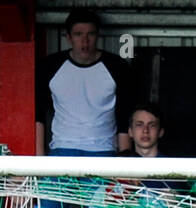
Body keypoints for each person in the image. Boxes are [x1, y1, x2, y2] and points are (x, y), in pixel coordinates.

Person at [35, 8, 134, 156]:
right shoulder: (50, 66)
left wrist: (124, 160)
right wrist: (39, 160)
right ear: (68, 37)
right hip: (62, 148)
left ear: (98, 36)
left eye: (91, 34)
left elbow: (123, 116)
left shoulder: (117, 66)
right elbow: (38, 114)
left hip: (103, 149)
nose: (85, 41)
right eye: (78, 34)